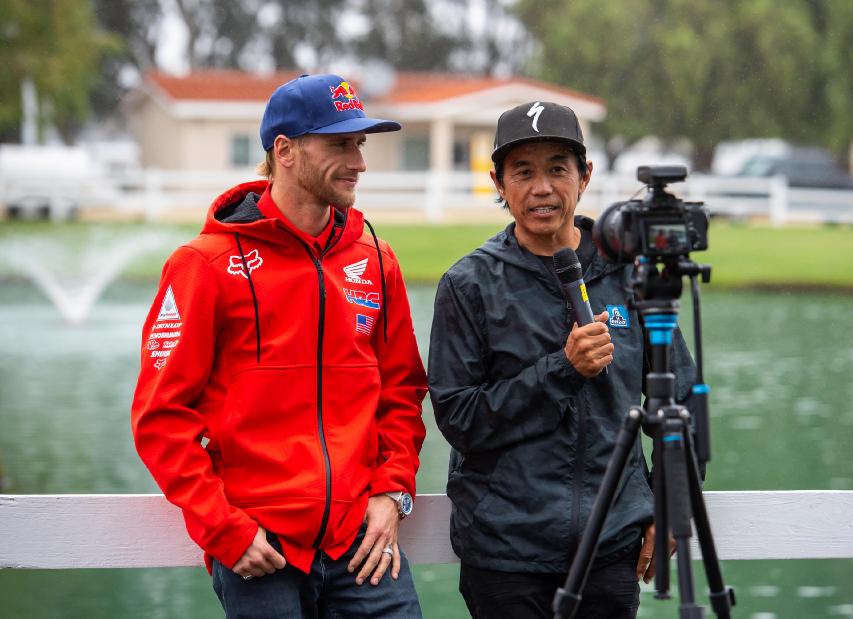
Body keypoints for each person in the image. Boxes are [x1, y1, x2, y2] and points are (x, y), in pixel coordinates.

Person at [132, 73, 428, 619]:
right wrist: (223, 527)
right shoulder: (203, 265)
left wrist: (393, 492)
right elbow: (160, 417)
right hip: (259, 546)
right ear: (285, 151)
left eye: (360, 143)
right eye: (340, 145)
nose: (359, 162)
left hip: (361, 541)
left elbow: (402, 393)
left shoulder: (376, 259)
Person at [428, 101, 697, 618]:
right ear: (498, 183)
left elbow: (678, 400)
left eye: (557, 169)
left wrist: (671, 500)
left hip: (610, 551)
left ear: (585, 175)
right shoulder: (468, 284)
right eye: (523, 172)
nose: (542, 188)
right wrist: (562, 370)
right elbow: (460, 418)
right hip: (504, 556)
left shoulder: (632, 275)